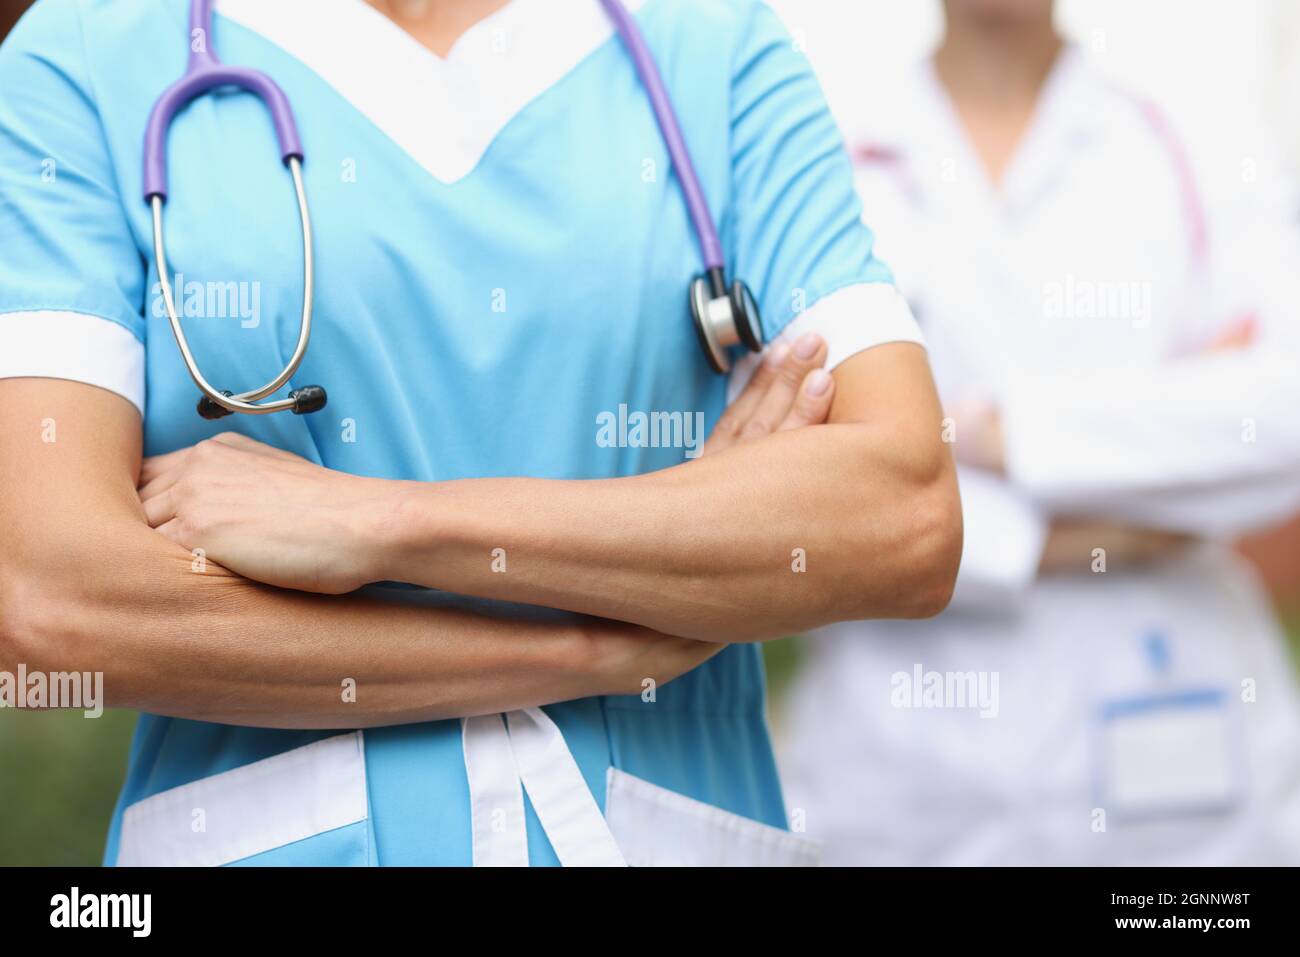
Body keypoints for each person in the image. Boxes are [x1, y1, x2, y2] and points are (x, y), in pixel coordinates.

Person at [0, 0, 960, 866]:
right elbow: (49, 603)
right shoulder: (87, 51)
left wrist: (386, 523)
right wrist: (593, 649)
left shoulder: (712, 47)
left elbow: (902, 516)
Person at [780, 0, 1300, 865]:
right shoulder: (825, 156)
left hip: (1184, 804)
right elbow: (800, 484)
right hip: (898, 782)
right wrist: (1131, 512)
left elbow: (1281, 414)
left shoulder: (1195, 135)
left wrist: (1000, 433)